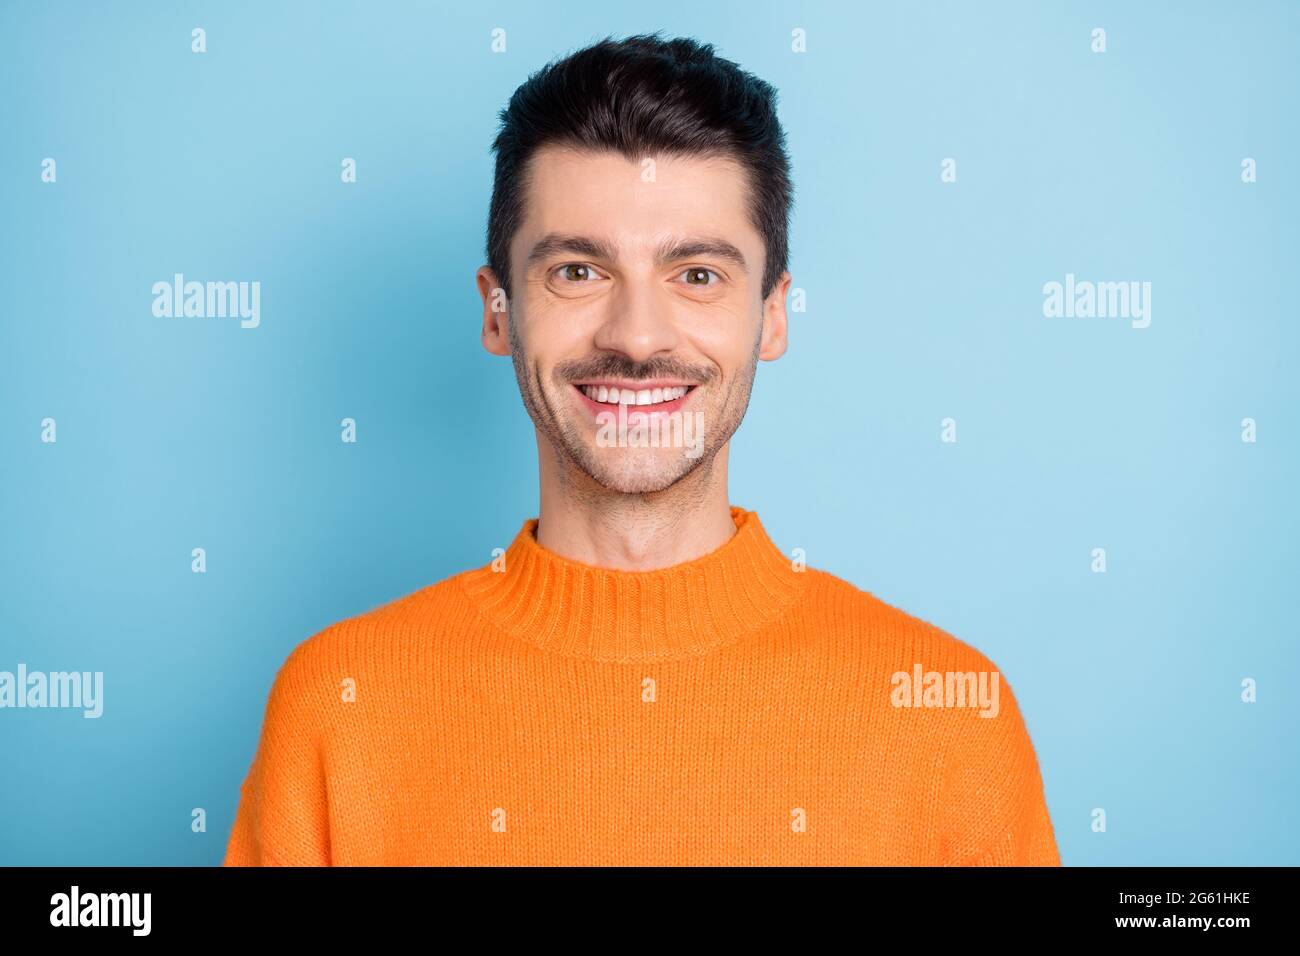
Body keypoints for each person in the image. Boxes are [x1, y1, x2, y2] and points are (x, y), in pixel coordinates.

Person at [224, 32, 1060, 866]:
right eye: (578, 272)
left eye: (697, 274)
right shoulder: (339, 705)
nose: (636, 336)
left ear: (771, 315)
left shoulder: (950, 715)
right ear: (497, 311)